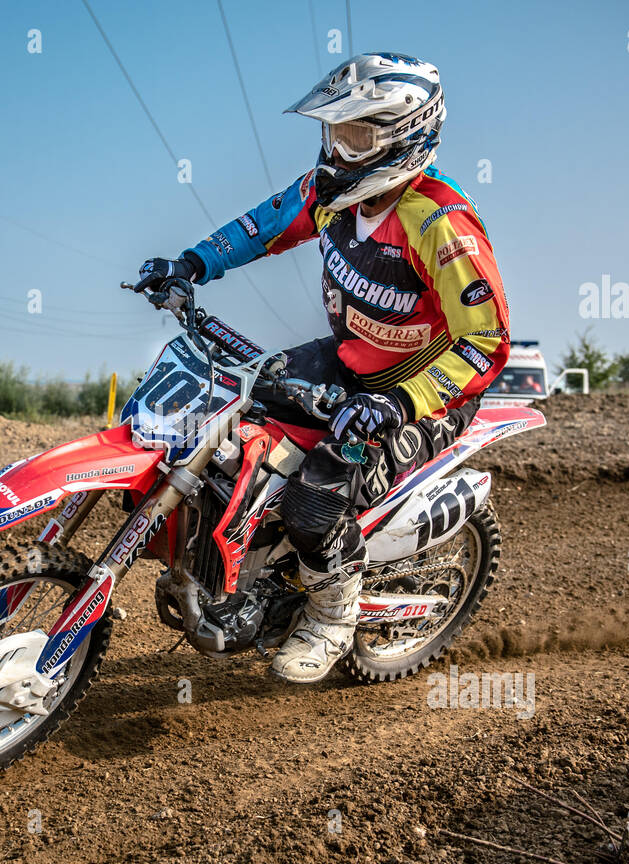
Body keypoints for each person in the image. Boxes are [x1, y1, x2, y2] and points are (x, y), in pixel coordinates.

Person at [135, 53, 510, 684]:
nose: (339, 148)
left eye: (357, 135)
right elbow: (261, 228)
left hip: (424, 394)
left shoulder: (440, 225)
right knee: (233, 407)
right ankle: (240, 556)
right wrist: (191, 265)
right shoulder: (331, 193)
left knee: (319, 489)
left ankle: (333, 615)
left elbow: (485, 341)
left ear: (406, 134)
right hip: (348, 361)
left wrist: (400, 402)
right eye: (335, 132)